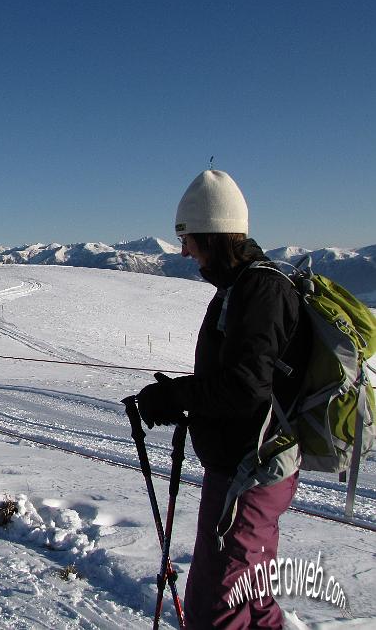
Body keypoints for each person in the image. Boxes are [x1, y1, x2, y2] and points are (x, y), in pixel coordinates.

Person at [134, 170, 311, 629]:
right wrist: (179, 394)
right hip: (241, 468)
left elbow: (245, 387)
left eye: (188, 237)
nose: (183, 250)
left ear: (211, 232)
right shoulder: (238, 288)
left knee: (217, 608)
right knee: (251, 601)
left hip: (251, 470)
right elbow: (238, 376)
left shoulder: (260, 289)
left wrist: (177, 396)